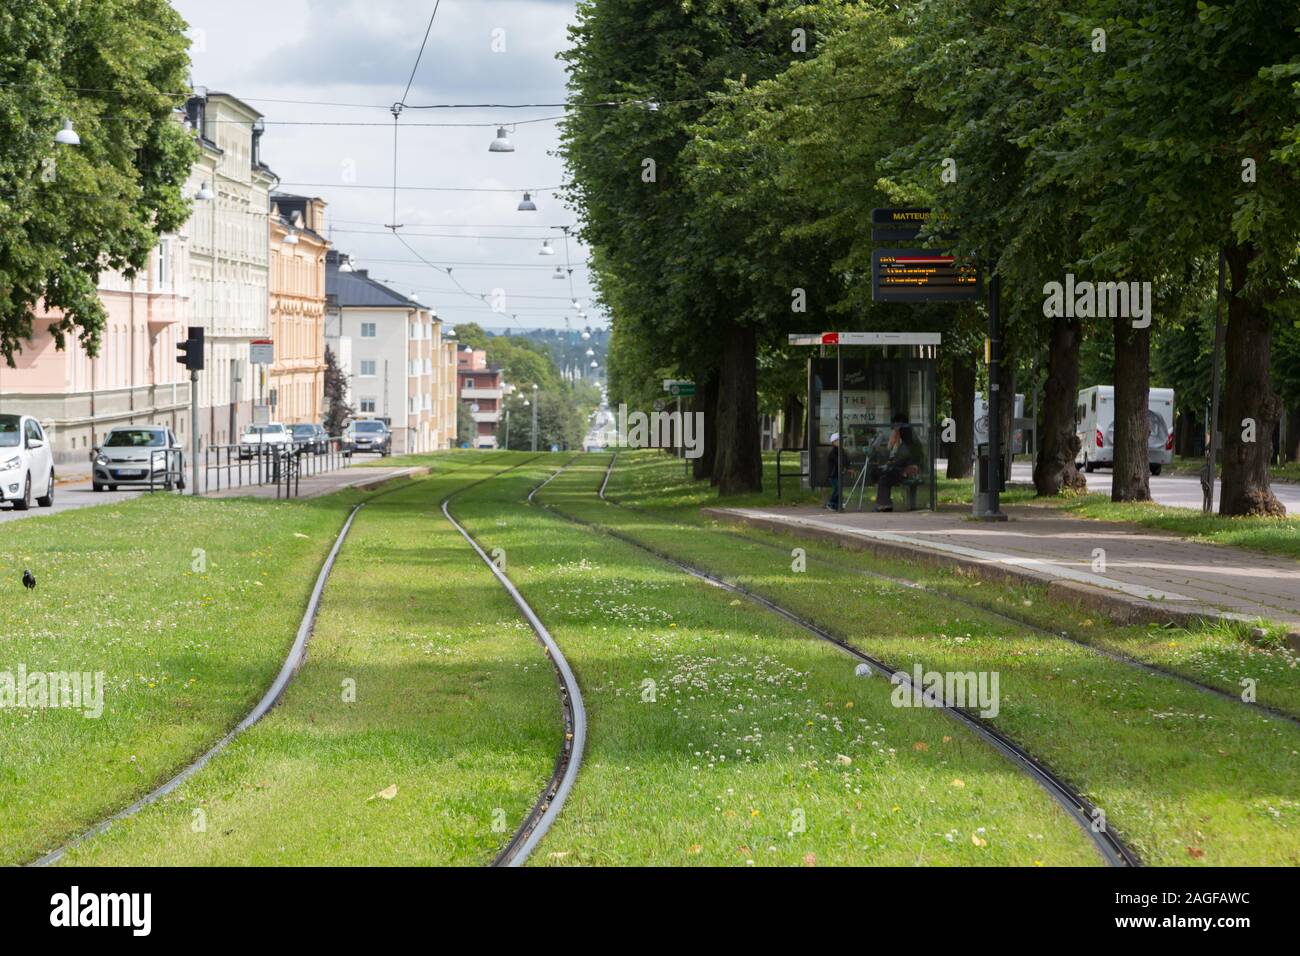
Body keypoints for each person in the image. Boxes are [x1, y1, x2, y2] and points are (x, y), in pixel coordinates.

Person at [874, 414, 923, 512]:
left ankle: (884, 505)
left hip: (908, 471)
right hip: (904, 470)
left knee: (884, 478)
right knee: (883, 476)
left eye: (896, 431)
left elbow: (900, 460)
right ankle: (883, 504)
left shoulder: (906, 446)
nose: (894, 433)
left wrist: (890, 462)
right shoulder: (905, 444)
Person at [826, 433, 843, 511]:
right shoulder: (833, 452)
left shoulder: (840, 451)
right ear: (834, 442)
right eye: (839, 440)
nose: (841, 442)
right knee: (837, 489)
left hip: (837, 474)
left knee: (838, 489)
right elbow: (838, 462)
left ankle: (836, 505)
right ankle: (830, 503)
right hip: (833, 475)